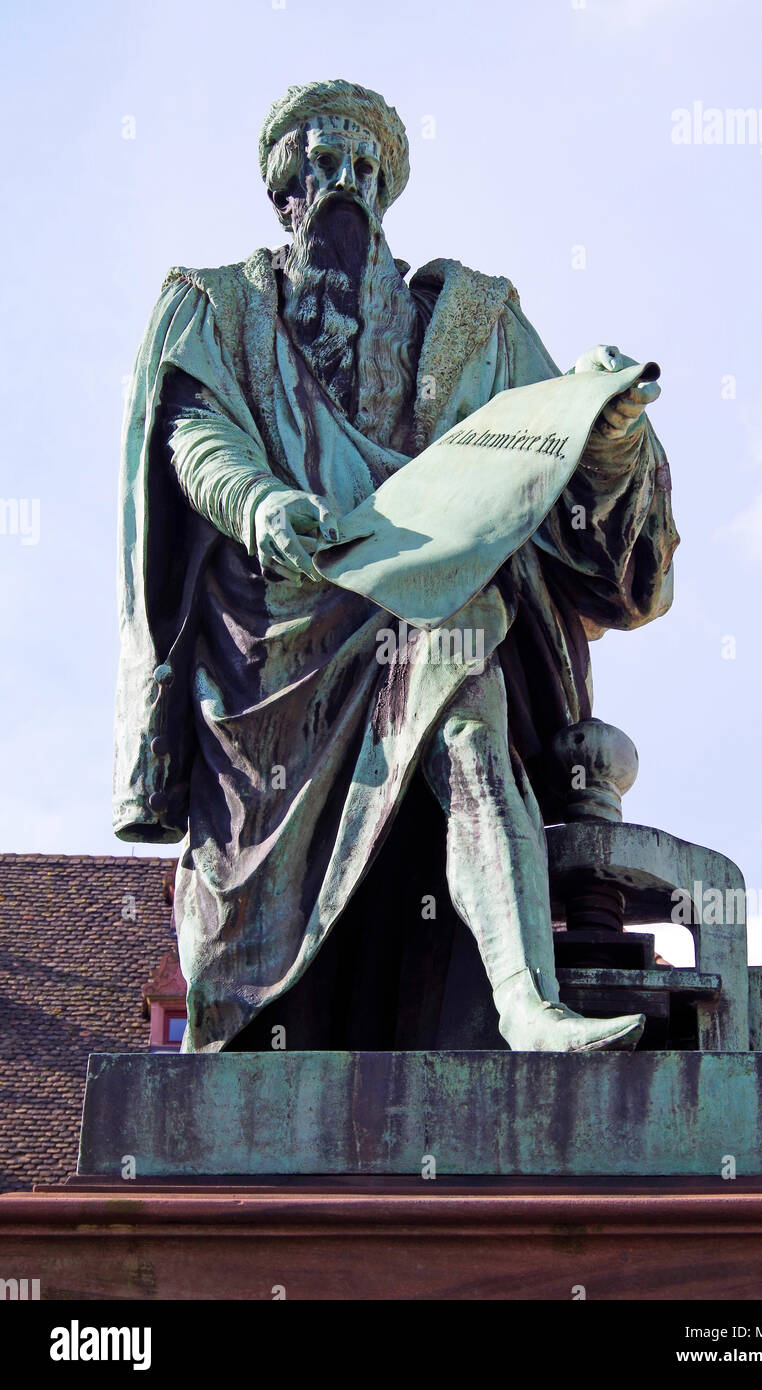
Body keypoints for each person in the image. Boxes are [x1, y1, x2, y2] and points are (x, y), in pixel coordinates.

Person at [114, 80, 679, 1054]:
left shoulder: (473, 324)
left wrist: (609, 427)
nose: (346, 187)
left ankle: (524, 997)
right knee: (234, 956)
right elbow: (196, 441)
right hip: (274, 635)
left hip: (426, 601)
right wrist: (263, 506)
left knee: (466, 716)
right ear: (284, 193)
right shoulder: (215, 305)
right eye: (323, 168)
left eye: (366, 171)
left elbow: (556, 459)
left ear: (388, 193)